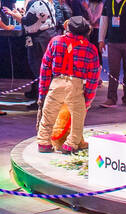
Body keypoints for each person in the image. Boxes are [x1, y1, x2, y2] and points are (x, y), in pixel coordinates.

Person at [36, 16, 102, 154]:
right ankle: (71, 144)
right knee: (78, 117)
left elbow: (45, 68)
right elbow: (93, 77)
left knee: (48, 114)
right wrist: (88, 99)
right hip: (75, 85)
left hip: (56, 82)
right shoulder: (91, 49)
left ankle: (43, 142)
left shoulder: (55, 42)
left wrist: (43, 93)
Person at [22, 0, 63, 104]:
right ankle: (48, 100)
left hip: (39, 41)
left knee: (39, 70)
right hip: (48, 38)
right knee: (47, 70)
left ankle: (43, 101)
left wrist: (15, 16)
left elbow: (27, 21)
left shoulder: (37, 4)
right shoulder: (49, 2)